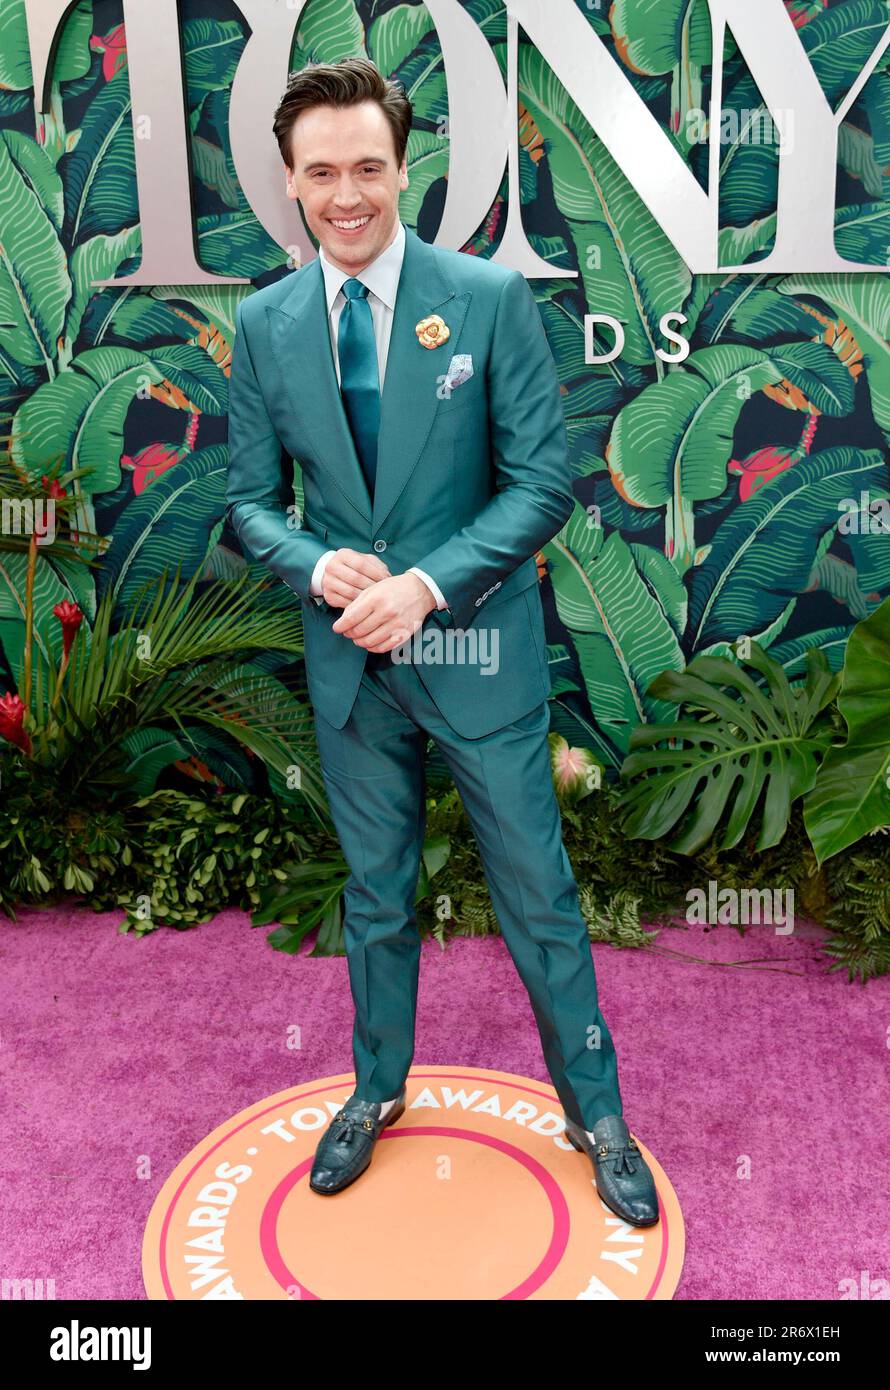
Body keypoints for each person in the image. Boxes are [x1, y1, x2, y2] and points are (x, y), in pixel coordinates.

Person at [225, 56, 658, 1226]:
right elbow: (245, 501)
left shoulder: (487, 298)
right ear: (291, 184)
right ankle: (373, 1089)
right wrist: (312, 562)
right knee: (376, 897)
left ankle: (599, 1112)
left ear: (402, 170)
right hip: (349, 668)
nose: (347, 193)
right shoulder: (261, 324)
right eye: (322, 173)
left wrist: (425, 584)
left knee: (539, 896)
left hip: (477, 658)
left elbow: (542, 482)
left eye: (368, 166)